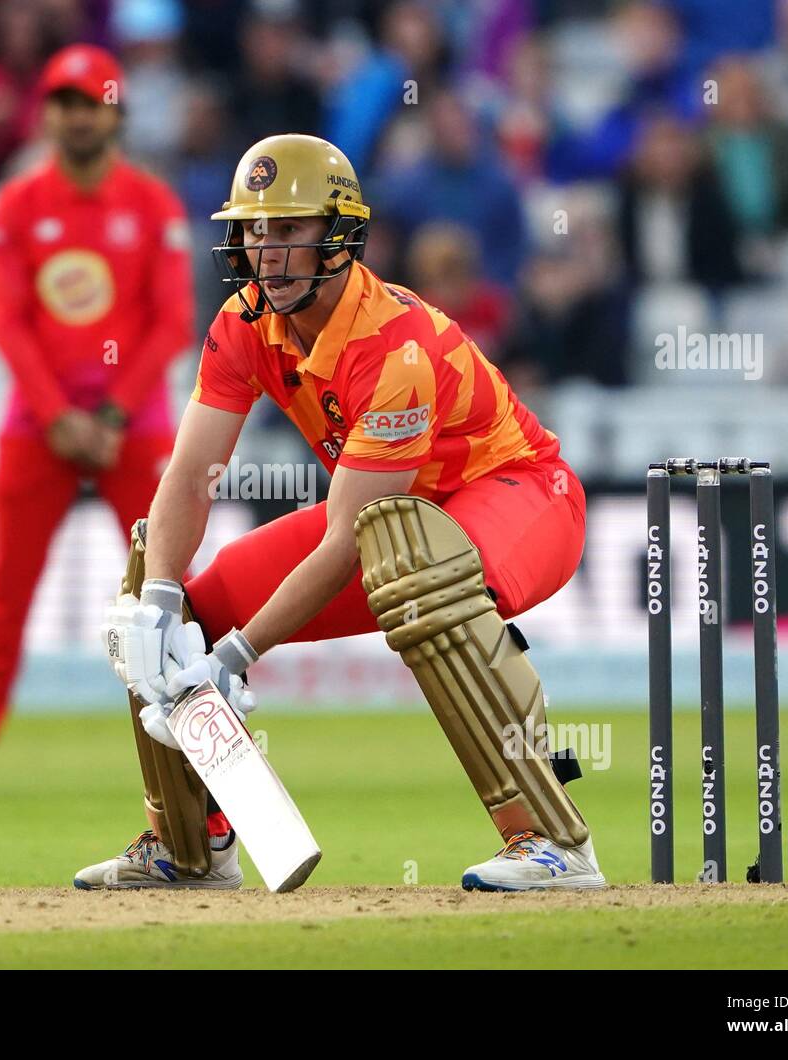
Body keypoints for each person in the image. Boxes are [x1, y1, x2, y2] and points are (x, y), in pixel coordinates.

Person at [78, 134, 606, 892]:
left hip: (523, 495)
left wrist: (234, 658)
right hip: (396, 522)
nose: (267, 251)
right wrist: (163, 604)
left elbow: (345, 537)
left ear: (340, 234)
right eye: (255, 230)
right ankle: (192, 843)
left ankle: (552, 841)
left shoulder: (393, 346)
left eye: (289, 229)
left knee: (419, 568)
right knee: (168, 603)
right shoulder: (242, 323)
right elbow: (191, 475)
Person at [0, 44, 193, 797]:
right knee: (6, 593)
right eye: (63, 102)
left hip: (134, 427)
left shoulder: (152, 206)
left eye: (90, 102)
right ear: (48, 113)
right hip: (41, 428)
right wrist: (62, 416)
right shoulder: (18, 206)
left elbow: (172, 324)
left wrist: (112, 411)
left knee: (172, 594)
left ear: (116, 113)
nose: (76, 116)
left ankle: (206, 750)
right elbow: (7, 323)